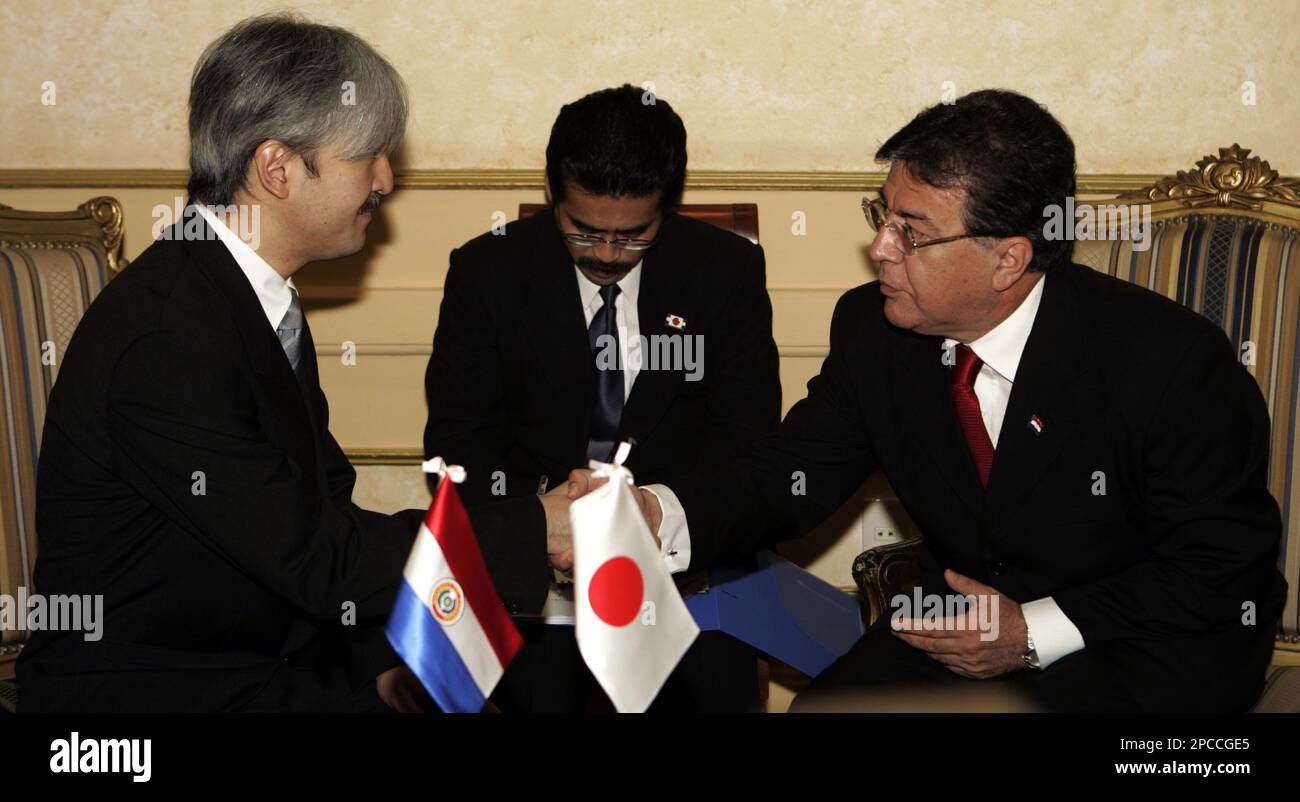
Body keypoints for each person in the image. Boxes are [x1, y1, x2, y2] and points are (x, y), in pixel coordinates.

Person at [573, 89, 1288, 712]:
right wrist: (655, 510)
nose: (879, 247)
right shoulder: (876, 331)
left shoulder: (1169, 363)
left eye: (909, 233)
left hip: (1139, 637)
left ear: (1007, 257)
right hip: (960, 627)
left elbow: (1219, 569)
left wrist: (1031, 632)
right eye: (881, 215)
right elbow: (790, 474)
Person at [18, 13, 567, 713]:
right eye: (367, 154)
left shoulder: (242, 294)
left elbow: (319, 519)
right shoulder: (168, 338)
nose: (386, 179)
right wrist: (533, 526)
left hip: (254, 663)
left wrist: (421, 648)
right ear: (277, 168)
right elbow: (319, 561)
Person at [424, 85, 782, 711]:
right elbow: (460, 449)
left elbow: (748, 448)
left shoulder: (724, 273)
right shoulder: (488, 273)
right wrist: (545, 528)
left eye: (634, 236)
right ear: (550, 193)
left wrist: (656, 521)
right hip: (537, 589)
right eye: (582, 232)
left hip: (685, 581)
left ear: (667, 206)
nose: (608, 256)